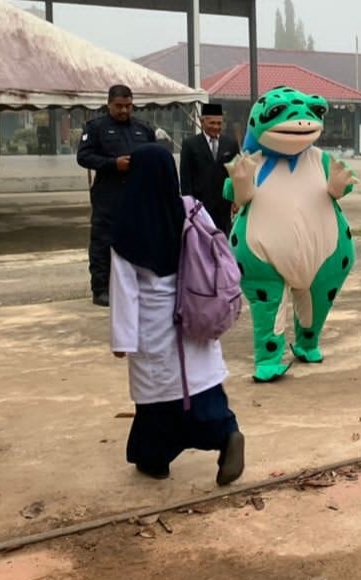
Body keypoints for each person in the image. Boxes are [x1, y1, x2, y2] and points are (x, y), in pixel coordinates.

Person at [109, 144, 245, 486]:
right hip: (196, 313)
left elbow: (125, 292)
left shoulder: (127, 227)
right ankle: (226, 434)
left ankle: (154, 460)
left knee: (157, 404)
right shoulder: (192, 210)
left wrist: (122, 340)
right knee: (203, 389)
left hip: (153, 329)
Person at [78, 85, 157, 307]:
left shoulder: (143, 129)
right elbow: (83, 157)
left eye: (128, 106)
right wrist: (113, 164)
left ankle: (135, 286)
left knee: (138, 242)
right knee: (103, 243)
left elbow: (156, 157)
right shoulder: (96, 128)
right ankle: (101, 289)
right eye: (119, 106)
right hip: (108, 197)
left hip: (137, 197)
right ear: (109, 105)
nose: (124, 111)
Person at [179, 103, 238, 235]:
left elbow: (236, 174)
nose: (216, 127)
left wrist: (236, 200)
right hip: (200, 207)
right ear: (202, 121)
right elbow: (185, 177)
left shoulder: (231, 144)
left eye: (219, 123)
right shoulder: (190, 144)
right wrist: (189, 205)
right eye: (212, 123)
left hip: (223, 206)